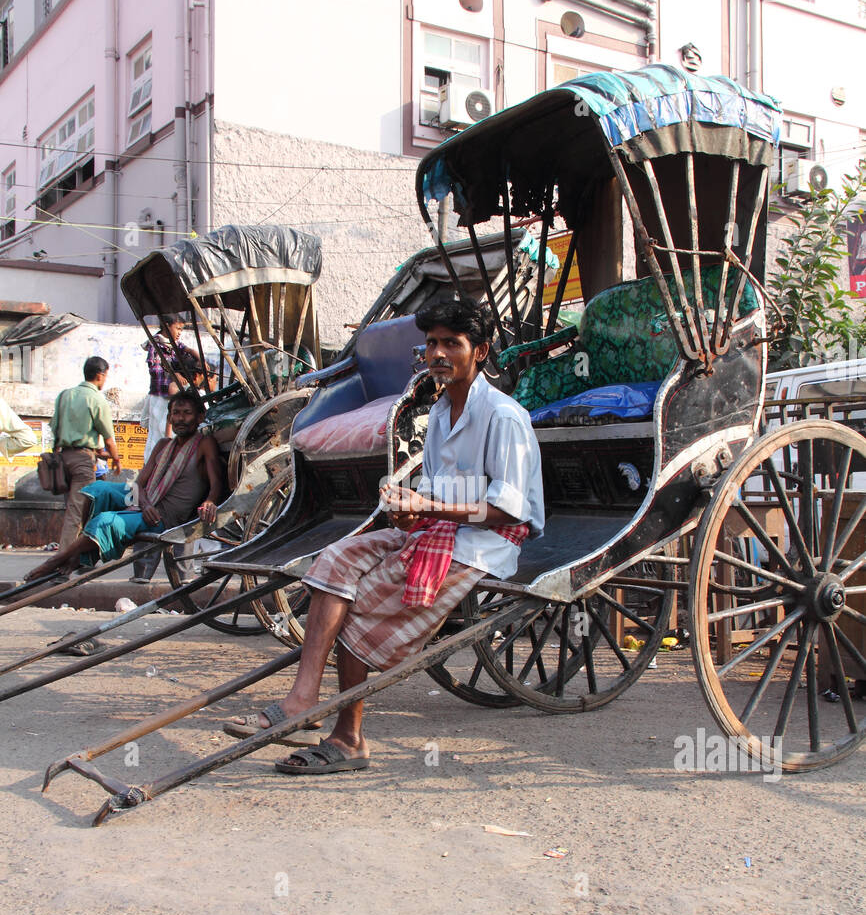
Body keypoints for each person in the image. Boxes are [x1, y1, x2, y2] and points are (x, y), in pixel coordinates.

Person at [223, 291, 544, 773]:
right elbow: (434, 494)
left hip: (484, 544)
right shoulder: (439, 413)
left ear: (479, 352)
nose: (438, 354)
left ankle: (348, 739)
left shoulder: (503, 416)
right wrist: (409, 514)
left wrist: (427, 506)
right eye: (432, 343)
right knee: (335, 559)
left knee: (361, 603)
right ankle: (303, 695)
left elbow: (508, 509)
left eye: (452, 344)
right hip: (437, 530)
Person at [25, 390, 223, 580]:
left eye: (187, 413)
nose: (180, 418)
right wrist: (145, 505)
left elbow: (216, 482)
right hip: (146, 501)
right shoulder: (164, 444)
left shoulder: (204, 444)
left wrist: (210, 501)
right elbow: (139, 483)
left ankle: (56, 560)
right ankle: (80, 555)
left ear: (199, 417)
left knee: (104, 522)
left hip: (165, 516)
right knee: (94, 490)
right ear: (169, 418)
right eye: (176, 413)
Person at [50, 357, 121, 551]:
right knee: (78, 511)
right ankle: (63, 562)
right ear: (100, 375)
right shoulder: (97, 399)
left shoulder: (65, 395)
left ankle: (79, 555)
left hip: (63, 458)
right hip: (83, 460)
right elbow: (108, 437)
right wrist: (116, 459)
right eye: (106, 376)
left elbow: (54, 427)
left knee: (75, 510)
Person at [141, 315, 215, 461]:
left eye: (182, 329)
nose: (180, 332)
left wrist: (200, 358)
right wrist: (174, 374)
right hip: (161, 387)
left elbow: (188, 349)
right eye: (178, 328)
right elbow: (156, 369)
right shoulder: (156, 345)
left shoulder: (175, 344)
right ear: (166, 325)